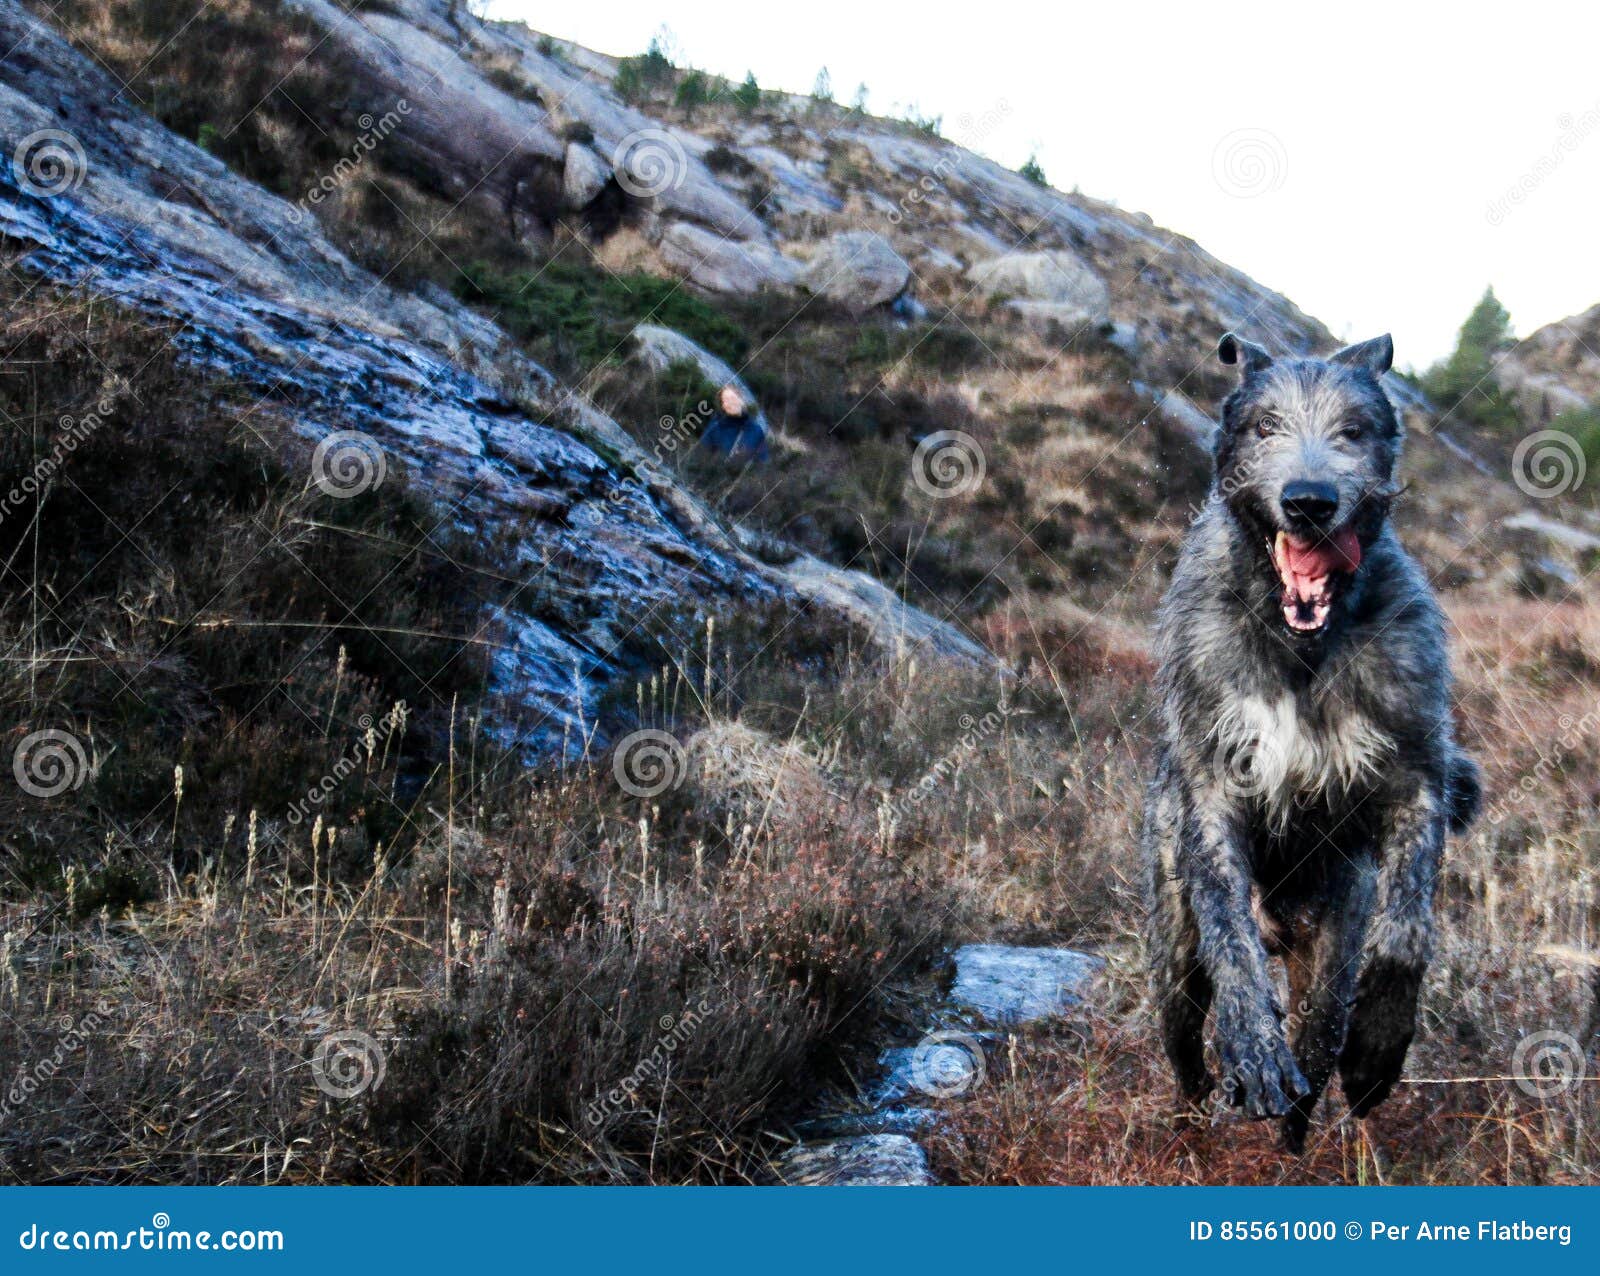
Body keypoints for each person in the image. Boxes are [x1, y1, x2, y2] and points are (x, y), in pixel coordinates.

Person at [697, 385, 768, 462]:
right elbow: (702, 457)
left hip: (746, 473)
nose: (731, 402)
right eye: (726, 400)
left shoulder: (756, 430)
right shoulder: (714, 428)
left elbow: (762, 461)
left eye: (733, 398)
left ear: (742, 401)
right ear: (723, 406)